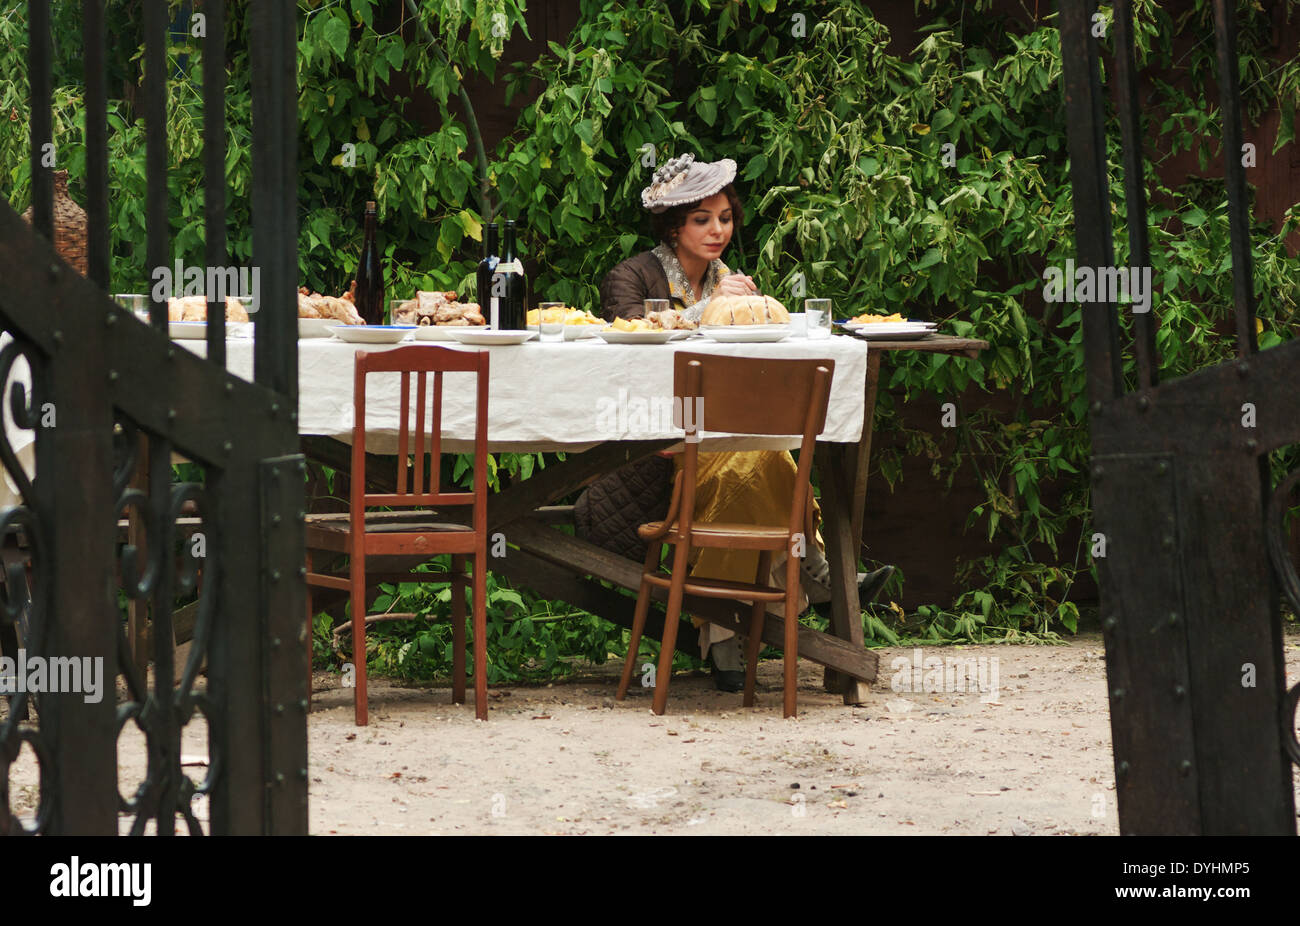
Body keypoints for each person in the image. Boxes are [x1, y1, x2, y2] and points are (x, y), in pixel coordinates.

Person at [597, 153, 892, 691]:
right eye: (702, 220)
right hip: (657, 438)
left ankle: (724, 638)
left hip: (722, 433)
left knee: (764, 454)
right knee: (753, 459)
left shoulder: (729, 278)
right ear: (673, 226)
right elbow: (628, 331)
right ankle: (814, 573)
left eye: (725, 218)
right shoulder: (631, 275)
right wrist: (706, 306)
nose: (718, 231)